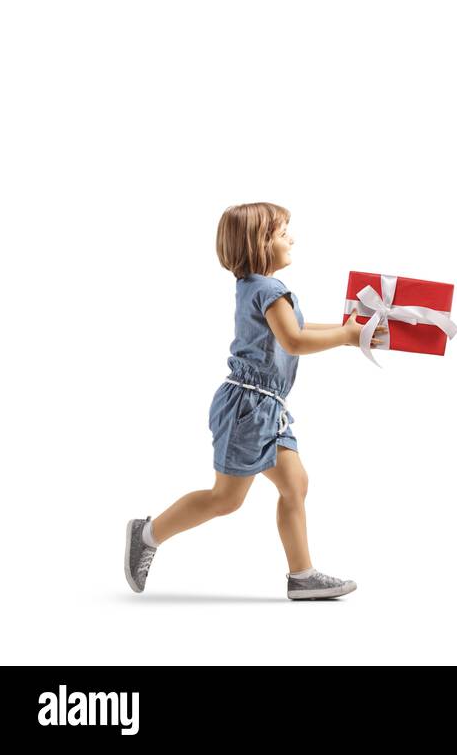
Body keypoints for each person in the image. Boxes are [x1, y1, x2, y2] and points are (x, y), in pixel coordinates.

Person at [124, 202, 385, 600]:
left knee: (295, 484)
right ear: (260, 243)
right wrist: (348, 337)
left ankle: (302, 575)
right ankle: (146, 534)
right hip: (248, 409)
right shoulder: (268, 289)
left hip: (268, 408)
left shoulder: (258, 287)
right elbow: (295, 340)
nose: (291, 239)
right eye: (283, 234)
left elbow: (297, 328)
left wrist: (348, 330)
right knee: (225, 500)